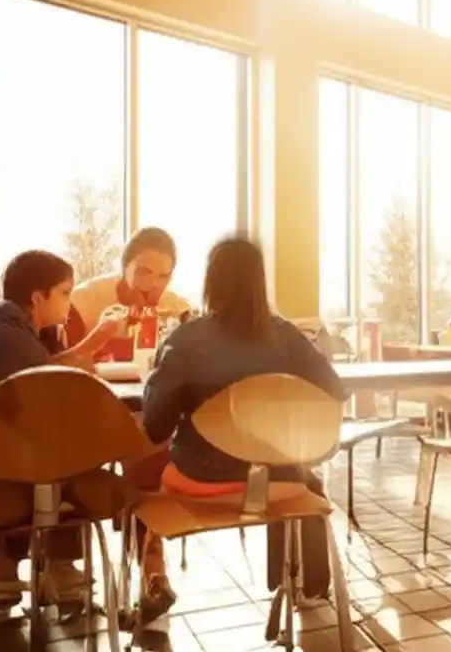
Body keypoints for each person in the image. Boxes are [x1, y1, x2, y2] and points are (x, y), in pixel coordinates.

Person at [138, 236, 348, 623]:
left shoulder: (186, 340)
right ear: (259, 281)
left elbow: (155, 426)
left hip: (202, 481)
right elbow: (334, 389)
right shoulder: (286, 336)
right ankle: (310, 587)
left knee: (139, 477)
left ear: (211, 282)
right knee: (307, 478)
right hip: (280, 481)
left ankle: (154, 579)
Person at [0, 250, 123, 606]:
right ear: (38, 297)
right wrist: (95, 341)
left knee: (55, 447)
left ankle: (15, 571)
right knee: (66, 455)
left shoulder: (20, 329)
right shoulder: (3, 328)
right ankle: (59, 565)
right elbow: (46, 379)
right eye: (65, 292)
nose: (70, 300)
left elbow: (46, 376)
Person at [65, 227, 190, 361]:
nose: (154, 284)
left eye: (163, 276)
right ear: (124, 267)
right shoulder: (82, 303)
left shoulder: (179, 312)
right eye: (144, 272)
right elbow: (52, 370)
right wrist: (94, 342)